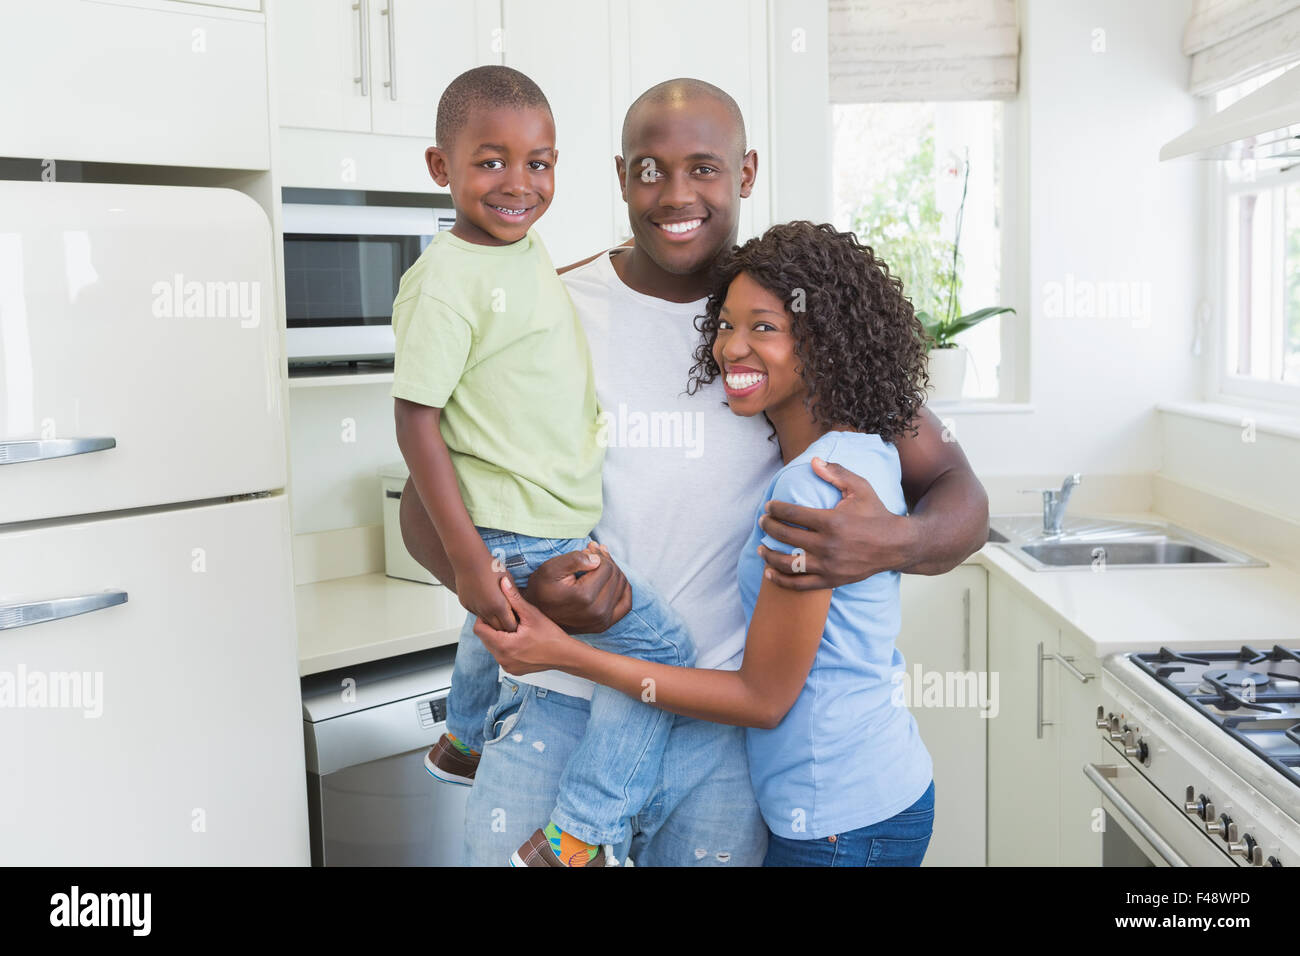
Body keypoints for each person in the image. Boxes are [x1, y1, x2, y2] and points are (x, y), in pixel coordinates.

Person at [400, 78, 989, 867]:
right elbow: (419, 503)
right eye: (650, 171)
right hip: (561, 713)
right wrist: (514, 593)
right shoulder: (548, 302)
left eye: (705, 169)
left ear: (745, 173)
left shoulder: (798, 327)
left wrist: (891, 542)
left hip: (723, 743)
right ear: (619, 177)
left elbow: (960, 496)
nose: (676, 195)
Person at [476, 220, 937, 866]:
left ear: (826, 341)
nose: (732, 348)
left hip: (840, 823)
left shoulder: (811, 489)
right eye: (724, 325)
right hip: (863, 798)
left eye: (764, 328)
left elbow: (762, 699)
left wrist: (567, 654)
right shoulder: (863, 449)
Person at [391, 65, 696, 867]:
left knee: (492, 616)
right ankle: (581, 831)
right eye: (491, 161)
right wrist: (465, 561)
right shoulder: (447, 279)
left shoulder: (520, 249)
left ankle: (462, 738)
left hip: (532, 520)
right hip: (527, 532)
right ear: (439, 168)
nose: (520, 183)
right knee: (662, 656)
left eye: (541, 162)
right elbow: (416, 419)